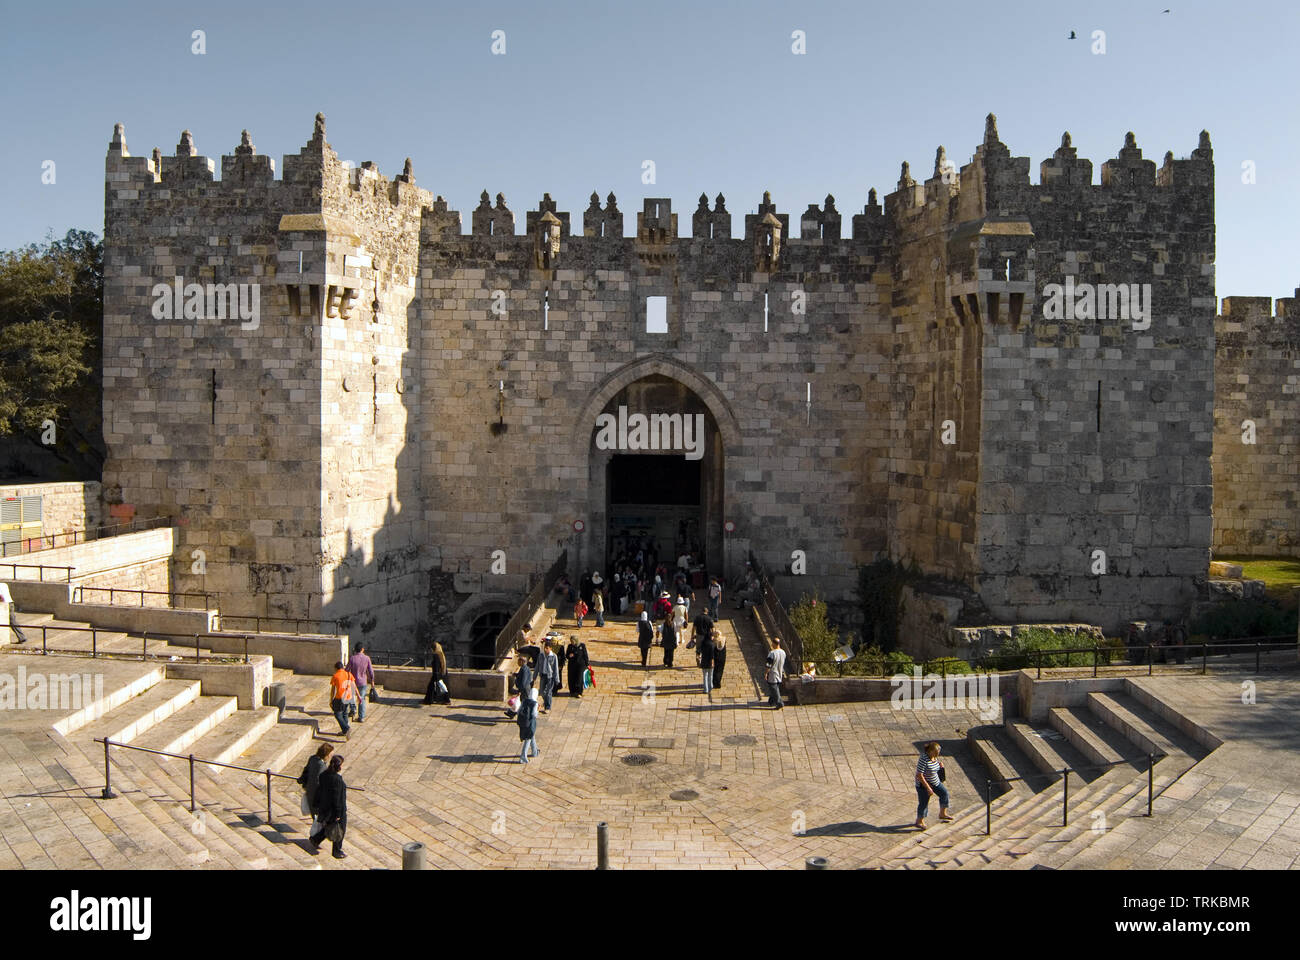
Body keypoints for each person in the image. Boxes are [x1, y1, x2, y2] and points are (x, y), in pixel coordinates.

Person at [310, 754, 348, 858]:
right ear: (339, 767)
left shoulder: (324, 775)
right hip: (335, 809)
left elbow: (320, 790)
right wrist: (338, 813)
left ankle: (316, 839)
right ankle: (337, 851)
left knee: (329, 826)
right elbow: (337, 799)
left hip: (325, 807)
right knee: (339, 829)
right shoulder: (337, 780)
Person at [914, 741, 951, 829]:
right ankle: (919, 821)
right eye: (935, 753)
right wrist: (928, 788)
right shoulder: (923, 759)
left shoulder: (934, 757)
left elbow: (933, 766)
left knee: (944, 793)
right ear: (930, 751)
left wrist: (940, 766)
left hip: (935, 782)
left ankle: (942, 813)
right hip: (924, 785)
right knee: (924, 803)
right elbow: (919, 775)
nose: (937, 755)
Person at [296, 743, 334, 824]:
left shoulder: (313, 758)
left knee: (315, 818)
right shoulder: (321, 766)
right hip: (316, 797)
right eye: (330, 754)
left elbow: (306, 771)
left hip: (310, 792)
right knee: (319, 820)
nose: (331, 756)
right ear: (326, 754)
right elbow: (318, 782)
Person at [514, 651, 541, 762]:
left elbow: (519, 709)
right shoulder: (534, 703)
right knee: (529, 738)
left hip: (523, 722)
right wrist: (538, 709)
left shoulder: (525, 701)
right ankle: (523, 757)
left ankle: (535, 752)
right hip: (530, 722)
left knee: (532, 736)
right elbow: (534, 714)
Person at [346, 641, 375, 723]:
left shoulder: (352, 658)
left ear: (355, 650)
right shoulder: (367, 658)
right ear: (362, 649)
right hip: (363, 682)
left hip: (353, 681)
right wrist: (372, 680)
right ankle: (361, 717)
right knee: (361, 698)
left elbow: (347, 670)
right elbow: (370, 671)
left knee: (351, 697)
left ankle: (353, 710)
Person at [329, 661, 357, 738]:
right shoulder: (349, 674)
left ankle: (346, 728)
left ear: (336, 668)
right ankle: (345, 732)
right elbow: (354, 686)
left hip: (339, 698)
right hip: (348, 697)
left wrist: (331, 700)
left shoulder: (335, 676)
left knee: (337, 714)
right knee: (345, 713)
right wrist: (358, 696)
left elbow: (333, 690)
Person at [424, 639, 450, 705]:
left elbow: (436, 666)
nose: (430, 650)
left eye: (431, 648)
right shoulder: (440, 654)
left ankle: (446, 700)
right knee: (436, 688)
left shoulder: (436, 656)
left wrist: (436, 676)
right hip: (440, 674)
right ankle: (431, 700)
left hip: (437, 675)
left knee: (437, 688)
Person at [538, 639, 560, 713]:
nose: (545, 649)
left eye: (547, 648)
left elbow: (555, 668)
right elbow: (537, 666)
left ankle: (548, 707)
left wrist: (557, 679)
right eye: (545, 647)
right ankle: (546, 701)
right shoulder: (541, 655)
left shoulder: (554, 656)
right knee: (541, 691)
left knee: (548, 692)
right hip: (543, 675)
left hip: (550, 677)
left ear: (550, 648)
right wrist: (534, 676)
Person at [764, 638, 786, 709]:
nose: (771, 645)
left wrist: (766, 673)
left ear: (774, 644)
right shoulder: (783, 652)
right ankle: (771, 701)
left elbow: (768, 665)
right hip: (779, 672)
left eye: (772, 643)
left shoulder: (772, 653)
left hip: (773, 673)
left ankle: (779, 703)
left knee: (774, 688)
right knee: (775, 687)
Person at [697, 624, 716, 699]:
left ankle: (705, 689)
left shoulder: (703, 643)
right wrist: (712, 662)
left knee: (705, 676)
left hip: (704, 661)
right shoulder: (711, 644)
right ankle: (710, 686)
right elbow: (712, 655)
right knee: (710, 675)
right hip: (709, 661)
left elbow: (699, 651)